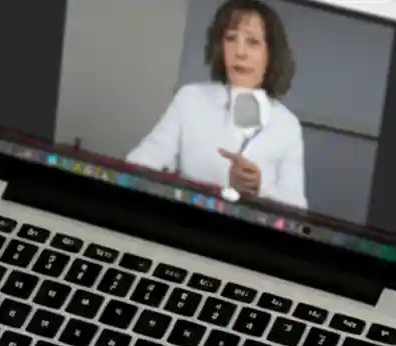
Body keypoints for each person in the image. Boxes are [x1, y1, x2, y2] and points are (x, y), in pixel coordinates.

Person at [126, 0, 307, 209]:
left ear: (271, 54)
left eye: (253, 42)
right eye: (231, 38)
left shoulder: (287, 125)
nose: (240, 52)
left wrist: (259, 189)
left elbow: (297, 209)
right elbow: (142, 163)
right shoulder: (190, 99)